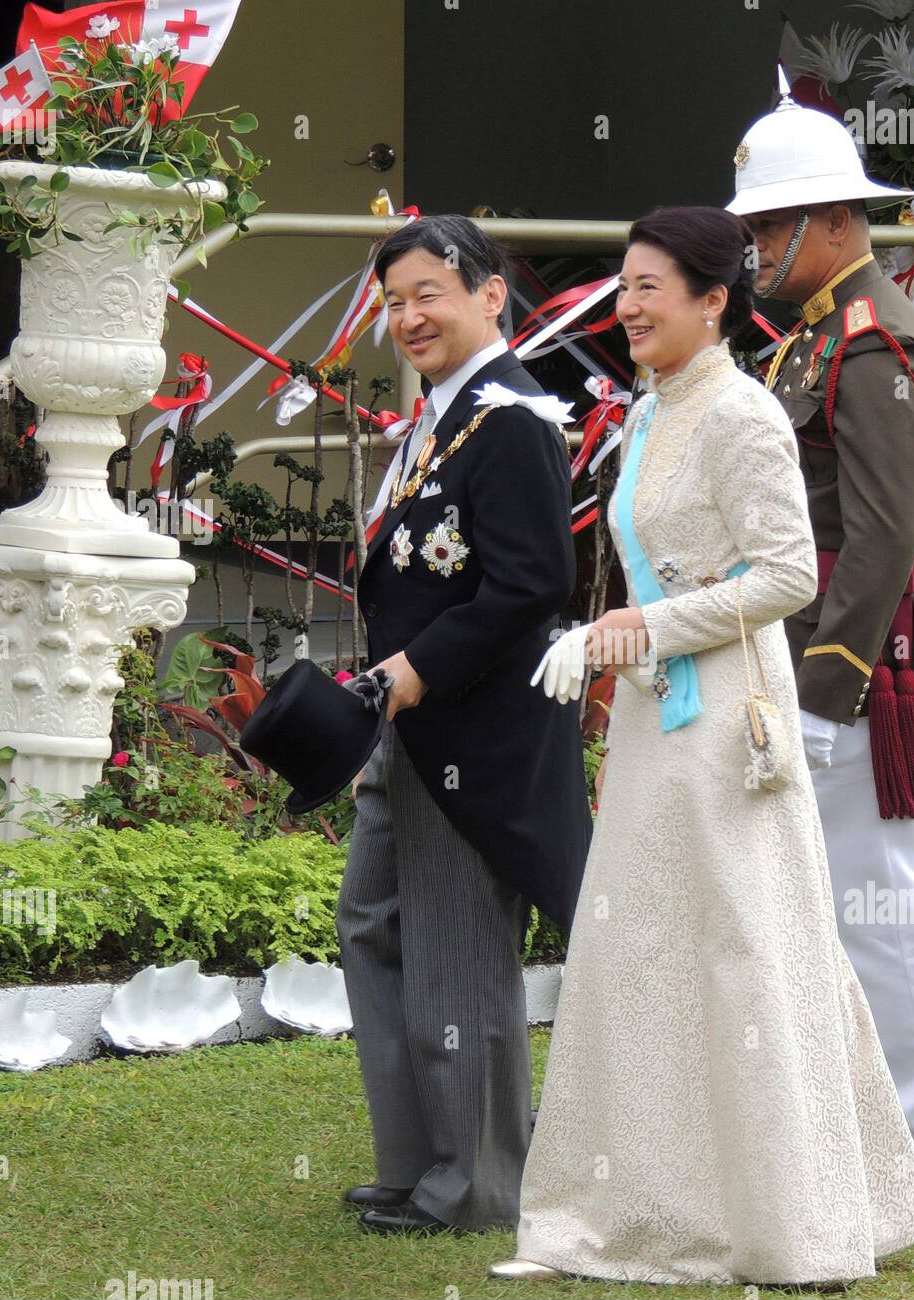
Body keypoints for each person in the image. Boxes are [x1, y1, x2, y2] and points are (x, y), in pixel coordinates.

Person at [488, 206, 914, 1286]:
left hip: (733, 715)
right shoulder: (649, 414)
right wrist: (618, 635)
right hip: (655, 711)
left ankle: (794, 1219)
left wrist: (643, 626)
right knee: (637, 944)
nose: (630, 305)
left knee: (747, 943)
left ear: (711, 301)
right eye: (623, 286)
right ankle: (630, 1205)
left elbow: (785, 576)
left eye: (652, 287)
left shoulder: (741, 413)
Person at [726, 81, 914, 1190]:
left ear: (835, 223)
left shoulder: (869, 341)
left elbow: (880, 542)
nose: (753, 249)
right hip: (831, 648)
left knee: (881, 901)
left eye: (767, 227)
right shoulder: (810, 341)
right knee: (831, 900)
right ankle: (866, 1109)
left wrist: (823, 692)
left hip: (870, 665)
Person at [336, 214, 592, 1235]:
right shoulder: (439, 417)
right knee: (373, 926)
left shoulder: (512, 417)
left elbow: (533, 583)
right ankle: (415, 1160)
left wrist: (415, 667)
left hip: (474, 740)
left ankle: (477, 1181)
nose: (407, 318)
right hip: (407, 724)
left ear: (490, 294)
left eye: (427, 293)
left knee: (455, 955)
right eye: (392, 301)